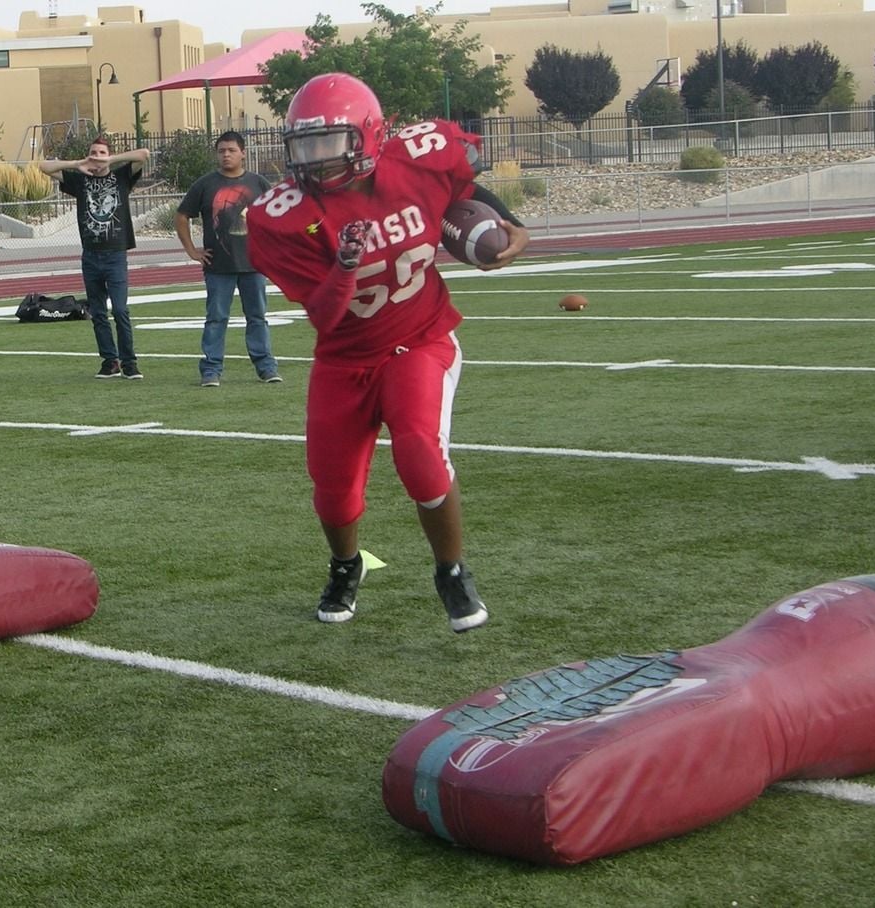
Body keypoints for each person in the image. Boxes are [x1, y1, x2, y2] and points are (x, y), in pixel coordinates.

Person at [247, 73, 530, 632]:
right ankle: (346, 566)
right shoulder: (281, 215)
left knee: (420, 454)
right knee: (333, 492)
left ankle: (451, 571)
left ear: (371, 137)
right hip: (344, 358)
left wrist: (511, 227)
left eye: (331, 144)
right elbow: (325, 317)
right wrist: (346, 266)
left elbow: (462, 193)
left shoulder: (417, 161)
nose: (317, 161)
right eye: (306, 147)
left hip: (419, 337)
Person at [175, 131, 282, 387]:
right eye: (221, 150)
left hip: (253, 265)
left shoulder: (258, 183)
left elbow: (275, 217)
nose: (226, 155)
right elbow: (181, 216)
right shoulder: (205, 184)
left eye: (231, 150)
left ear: (243, 152)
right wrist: (191, 250)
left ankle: (266, 367)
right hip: (218, 266)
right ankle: (211, 370)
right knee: (216, 318)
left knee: (257, 316)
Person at [39, 137, 150, 379]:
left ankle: (129, 362)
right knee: (98, 312)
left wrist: (110, 159)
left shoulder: (121, 176)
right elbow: (43, 167)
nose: (97, 156)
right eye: (93, 152)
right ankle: (110, 361)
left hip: (115, 254)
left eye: (101, 152)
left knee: (120, 310)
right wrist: (80, 162)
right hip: (90, 256)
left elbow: (143, 154)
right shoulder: (80, 180)